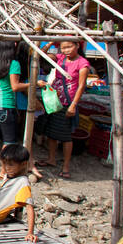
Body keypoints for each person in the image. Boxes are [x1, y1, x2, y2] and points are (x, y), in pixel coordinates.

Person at [37, 39, 91, 179]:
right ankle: (51, 159)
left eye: (69, 47)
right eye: (63, 48)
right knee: (51, 132)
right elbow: (40, 54)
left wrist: (73, 105)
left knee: (66, 136)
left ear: (77, 46)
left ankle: (66, 166)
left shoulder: (82, 63)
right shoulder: (60, 58)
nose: (66, 50)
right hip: (54, 101)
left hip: (68, 102)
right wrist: (50, 42)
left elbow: (81, 86)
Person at [0, 40, 29, 177]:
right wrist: (33, 84)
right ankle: (3, 171)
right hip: (5, 105)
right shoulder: (14, 64)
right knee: (8, 141)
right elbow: (15, 87)